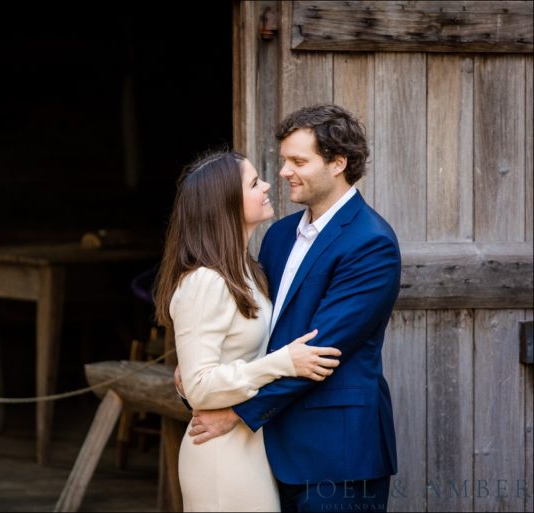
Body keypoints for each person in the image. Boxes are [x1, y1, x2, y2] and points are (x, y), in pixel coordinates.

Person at [185, 104, 401, 512]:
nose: (284, 172)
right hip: (268, 449)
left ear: (338, 163)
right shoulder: (279, 235)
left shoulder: (370, 243)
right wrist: (198, 371)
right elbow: (259, 334)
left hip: (337, 455)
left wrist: (236, 412)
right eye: (285, 160)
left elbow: (320, 352)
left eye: (298, 161)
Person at [154, 150, 343, 511]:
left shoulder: (247, 271)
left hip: (250, 444)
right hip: (221, 459)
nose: (268, 184)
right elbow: (199, 388)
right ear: (225, 204)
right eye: (254, 183)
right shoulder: (205, 282)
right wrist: (282, 362)